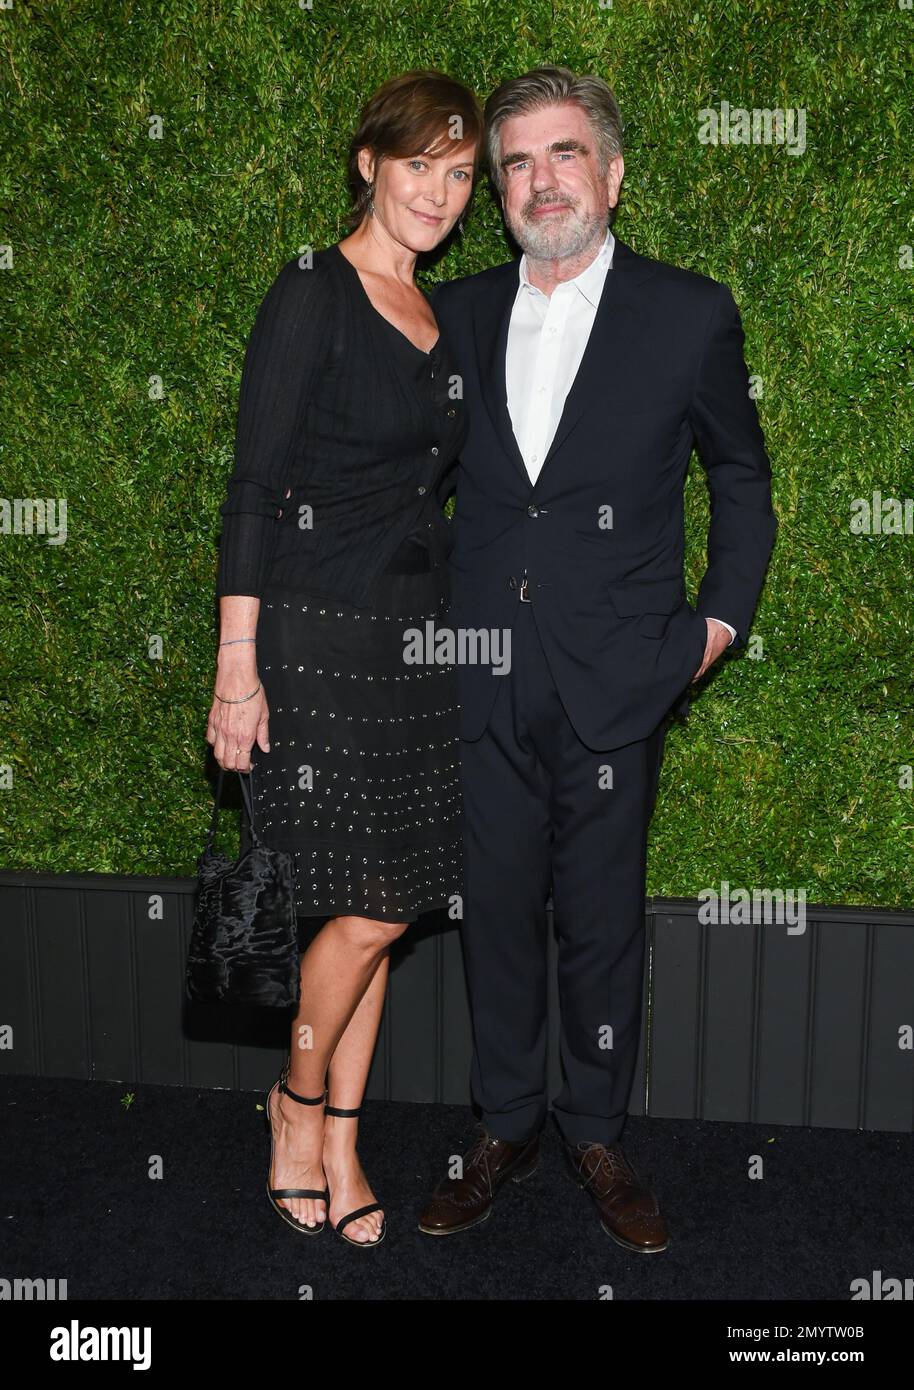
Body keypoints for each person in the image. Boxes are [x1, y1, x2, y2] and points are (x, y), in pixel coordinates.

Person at [419, 66, 777, 1249]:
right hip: (479, 670)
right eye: (515, 162)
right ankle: (504, 1122)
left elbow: (739, 478)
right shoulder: (453, 314)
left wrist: (711, 630)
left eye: (562, 154)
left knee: (602, 919)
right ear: (497, 191)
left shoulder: (686, 313)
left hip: (618, 679)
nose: (539, 180)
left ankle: (595, 1132)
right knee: (498, 914)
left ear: (611, 175)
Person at [207, 70, 483, 1245]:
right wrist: (235, 664)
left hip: (420, 655)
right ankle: (295, 1106)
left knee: (390, 907)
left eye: (459, 173)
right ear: (367, 162)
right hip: (315, 643)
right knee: (359, 915)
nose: (437, 191)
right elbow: (254, 487)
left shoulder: (443, 314)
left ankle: (342, 1134)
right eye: (417, 163)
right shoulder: (312, 289)